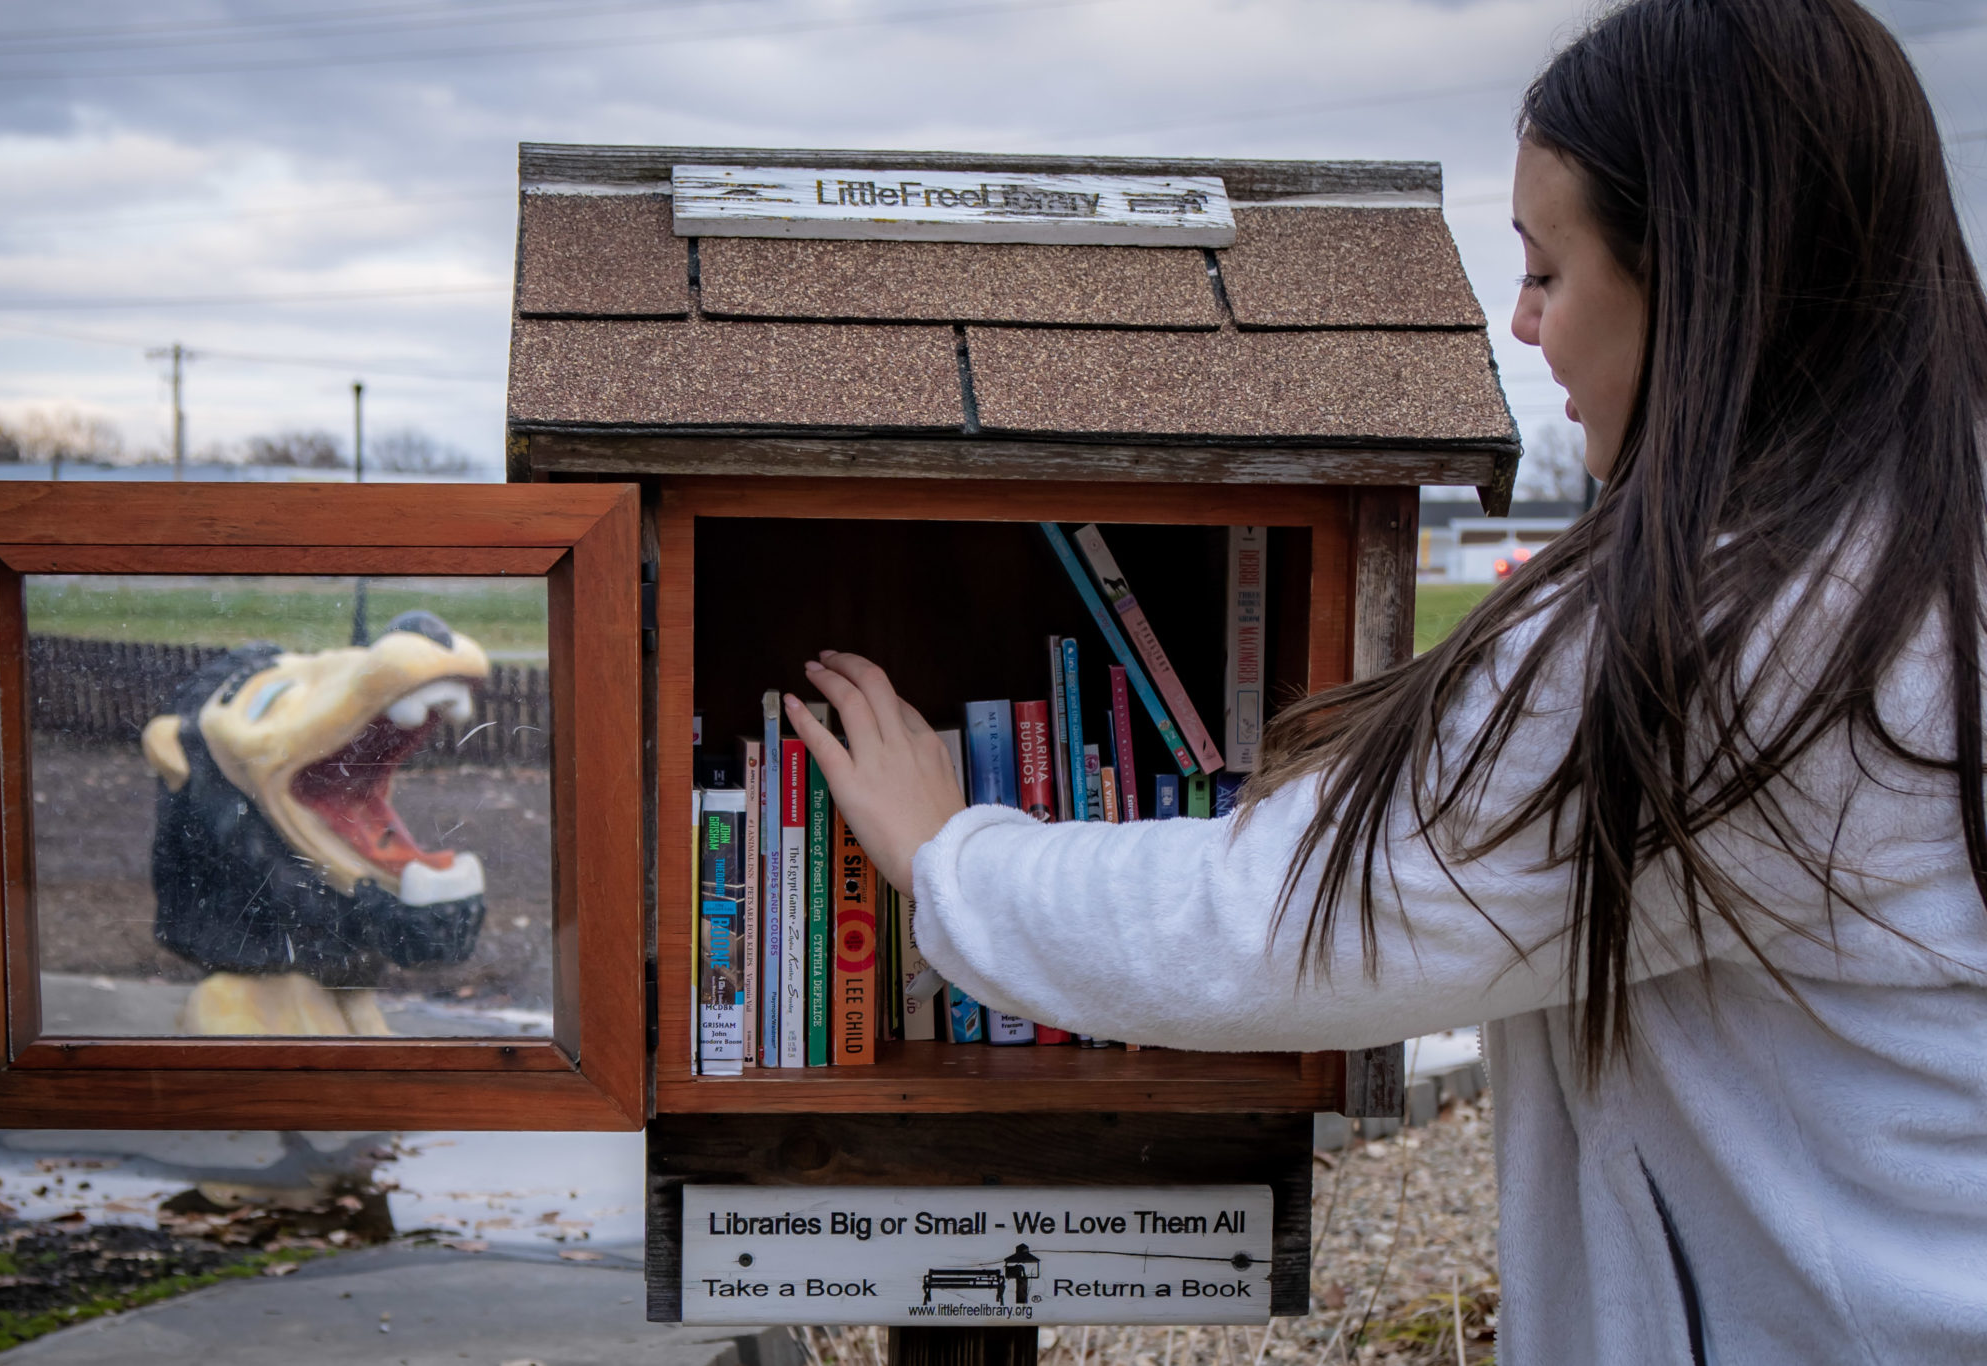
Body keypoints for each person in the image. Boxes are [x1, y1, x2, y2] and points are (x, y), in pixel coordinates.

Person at [785, 0, 1987, 1360]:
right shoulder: (1913, 569)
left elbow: (1277, 919)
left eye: (1549, 269)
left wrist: (955, 853)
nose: (1525, 324)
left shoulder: (1737, 644)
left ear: (1701, 284)